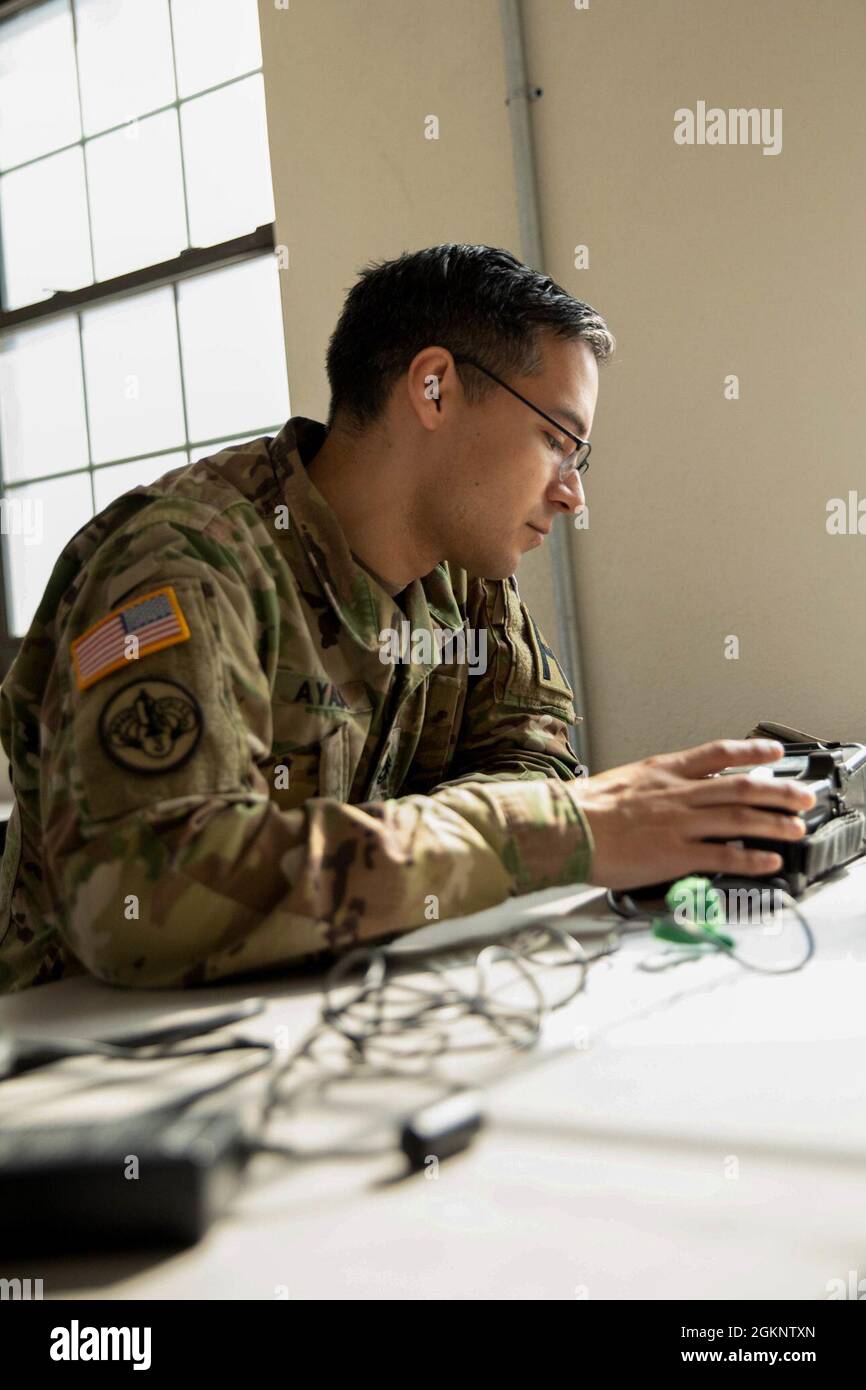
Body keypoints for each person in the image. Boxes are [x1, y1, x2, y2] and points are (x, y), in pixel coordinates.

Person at [0, 244, 814, 992]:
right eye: (557, 439)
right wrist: (545, 834)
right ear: (433, 388)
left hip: (325, 1007)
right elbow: (149, 896)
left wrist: (423, 854)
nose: (573, 492)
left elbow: (532, 755)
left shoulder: (464, 574)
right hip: (81, 1056)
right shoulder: (187, 564)